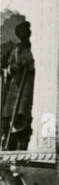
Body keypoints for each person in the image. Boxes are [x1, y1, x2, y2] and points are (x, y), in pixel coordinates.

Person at [1, 20, 35, 150]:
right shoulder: (16, 49)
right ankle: (8, 141)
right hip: (14, 85)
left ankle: (22, 139)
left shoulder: (32, 48)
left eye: (26, 32)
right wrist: (12, 68)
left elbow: (33, 64)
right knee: (9, 113)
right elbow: (9, 66)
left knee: (22, 111)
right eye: (21, 33)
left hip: (26, 85)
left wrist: (29, 65)